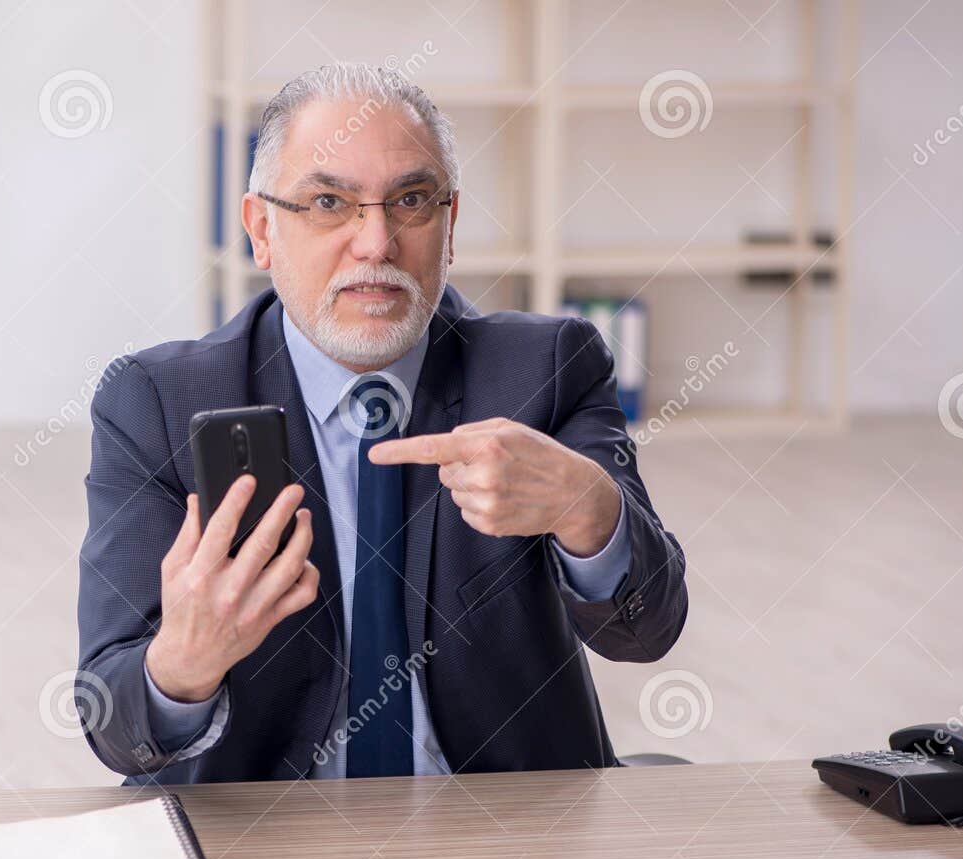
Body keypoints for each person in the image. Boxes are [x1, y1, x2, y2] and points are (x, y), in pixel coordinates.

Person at [76, 62, 688, 785]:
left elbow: (647, 630)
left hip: (508, 842)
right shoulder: (155, 401)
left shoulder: (547, 369)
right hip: (267, 849)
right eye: (329, 201)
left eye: (411, 200)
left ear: (449, 224)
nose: (377, 243)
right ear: (260, 230)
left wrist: (591, 512)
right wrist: (181, 664)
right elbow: (114, 729)